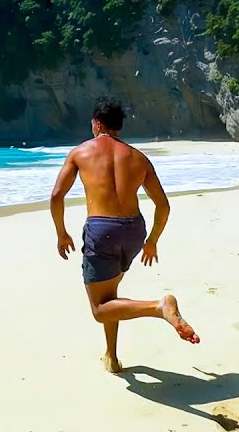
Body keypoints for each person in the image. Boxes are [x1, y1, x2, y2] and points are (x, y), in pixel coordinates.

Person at [50, 96, 199, 374]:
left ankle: (159, 307)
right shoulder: (138, 158)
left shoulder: (80, 152)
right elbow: (163, 205)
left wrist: (62, 233)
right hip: (134, 230)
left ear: (96, 124)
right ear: (118, 126)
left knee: (99, 309)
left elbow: (57, 195)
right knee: (110, 296)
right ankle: (112, 357)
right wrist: (152, 241)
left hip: (102, 230)